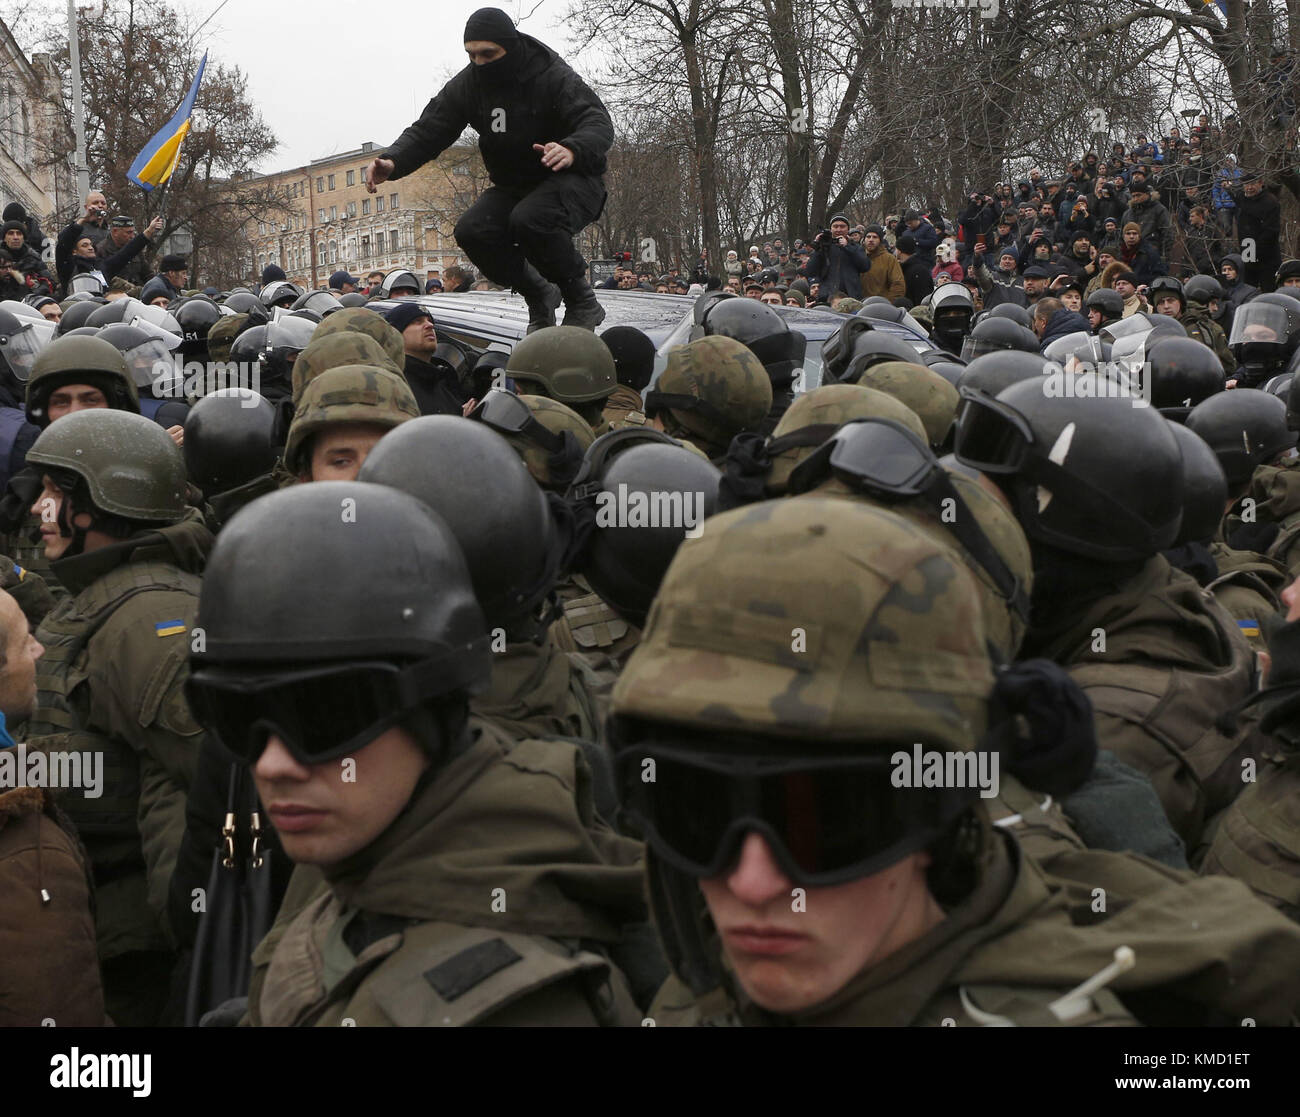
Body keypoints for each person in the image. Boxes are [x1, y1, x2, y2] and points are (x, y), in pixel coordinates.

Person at [185, 481, 647, 1026]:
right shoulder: (373, 867)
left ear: (435, 704)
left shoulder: (508, 999)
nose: (271, 764)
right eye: (238, 719)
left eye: (325, 716)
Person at [18, 409, 212, 1026]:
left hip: (134, 960)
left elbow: (210, 783)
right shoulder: (109, 599)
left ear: (106, 502)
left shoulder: (147, 620)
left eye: (55, 493)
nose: (37, 511)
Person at [367, 7, 613, 333]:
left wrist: (571, 148)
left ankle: (582, 301)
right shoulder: (470, 84)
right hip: (516, 187)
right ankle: (539, 292)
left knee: (530, 218)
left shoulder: (550, 74)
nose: (480, 63)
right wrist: (393, 161)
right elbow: (430, 128)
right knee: (473, 230)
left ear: (509, 47)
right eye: (472, 55)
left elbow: (597, 121)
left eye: (488, 54)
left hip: (574, 181)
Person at [381, 303, 468, 416]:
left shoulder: (437, 379)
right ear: (396, 334)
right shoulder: (394, 384)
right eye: (417, 321)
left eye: (429, 320)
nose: (430, 325)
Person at [804, 215, 870, 305]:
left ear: (848, 229)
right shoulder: (825, 248)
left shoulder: (855, 247)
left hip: (850, 297)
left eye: (842, 226)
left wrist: (847, 247)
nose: (838, 229)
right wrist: (818, 247)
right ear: (831, 229)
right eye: (835, 226)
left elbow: (865, 266)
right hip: (826, 297)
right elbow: (810, 271)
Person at [0, 220, 52, 301]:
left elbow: (48, 282)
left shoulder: (34, 257)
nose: (15, 237)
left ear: (23, 238)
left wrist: (32, 294)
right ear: (4, 238)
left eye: (19, 233)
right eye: (11, 233)